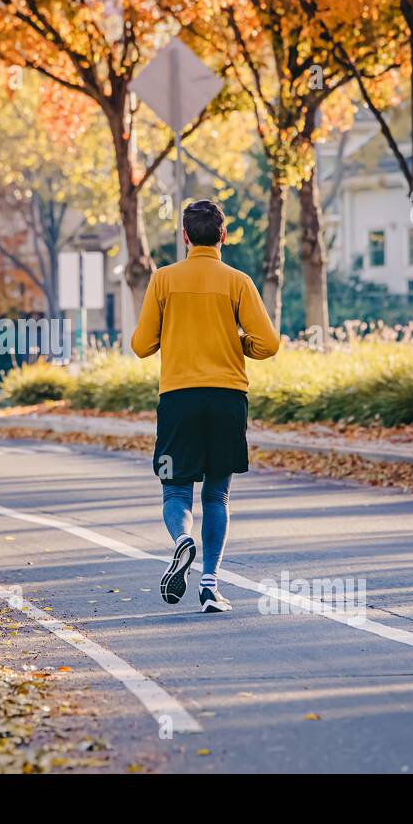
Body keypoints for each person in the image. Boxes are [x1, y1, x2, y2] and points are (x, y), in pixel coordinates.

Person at [130, 199, 280, 612]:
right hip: (227, 398)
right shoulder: (238, 281)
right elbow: (268, 343)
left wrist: (171, 333)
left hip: (178, 398)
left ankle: (182, 541)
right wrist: (237, 343)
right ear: (223, 236)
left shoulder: (163, 280)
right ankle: (210, 587)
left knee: (176, 489)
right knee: (217, 496)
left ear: (184, 237)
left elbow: (142, 345)